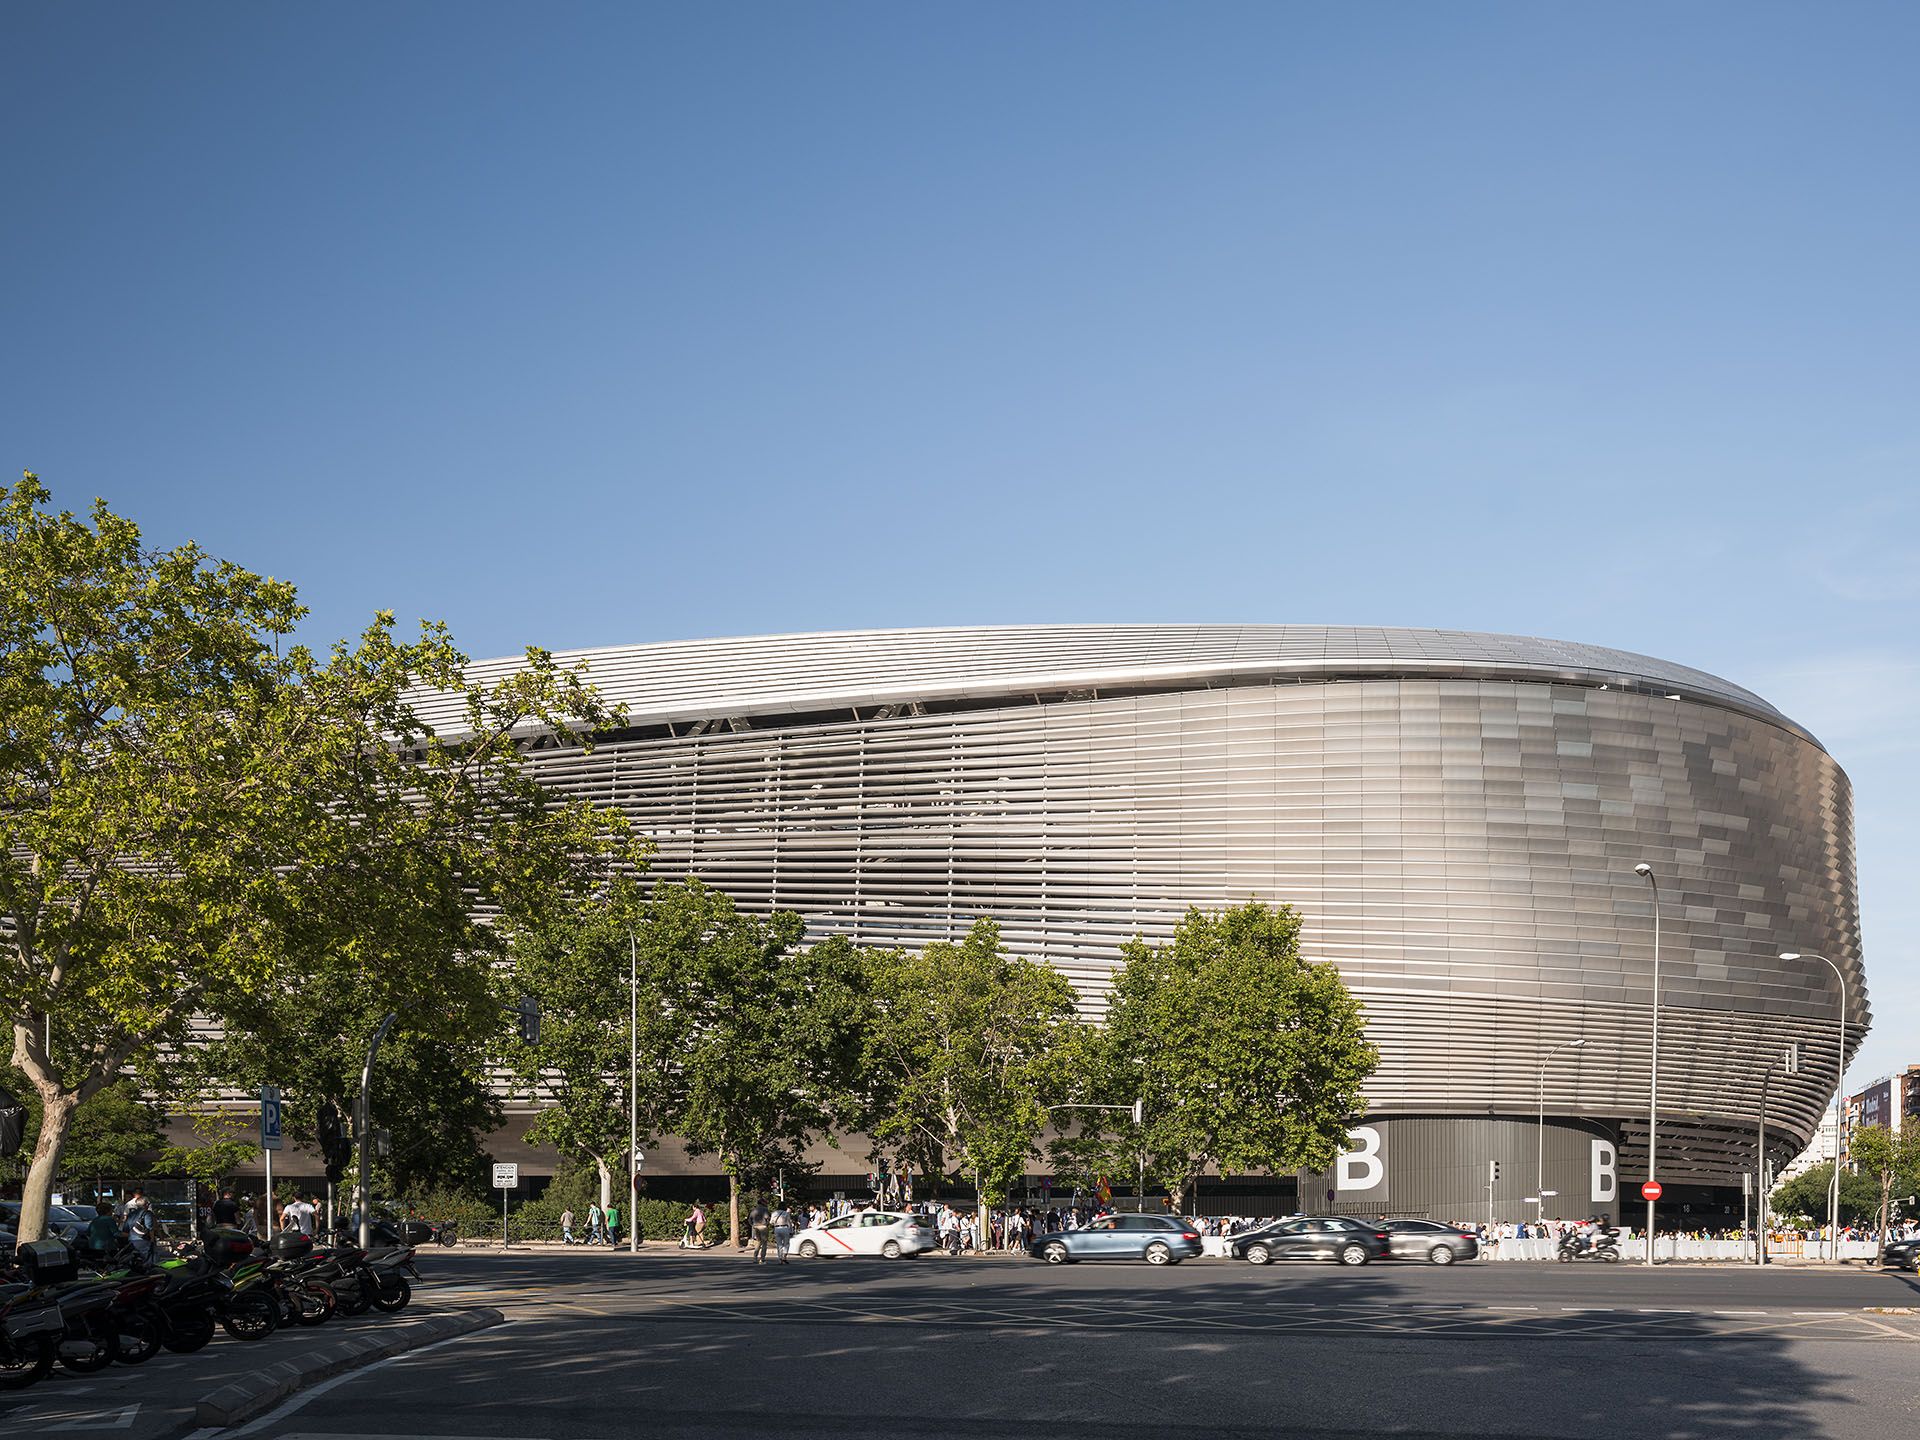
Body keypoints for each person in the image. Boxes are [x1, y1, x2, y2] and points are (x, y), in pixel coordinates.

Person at [749, 1199, 772, 1263]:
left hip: (755, 1226)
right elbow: (767, 1217)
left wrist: (752, 1225)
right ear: (763, 1203)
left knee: (758, 1242)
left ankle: (755, 1257)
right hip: (763, 1226)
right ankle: (762, 1258)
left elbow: (750, 1219)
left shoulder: (754, 1210)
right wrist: (767, 1223)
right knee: (764, 1243)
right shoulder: (765, 1209)